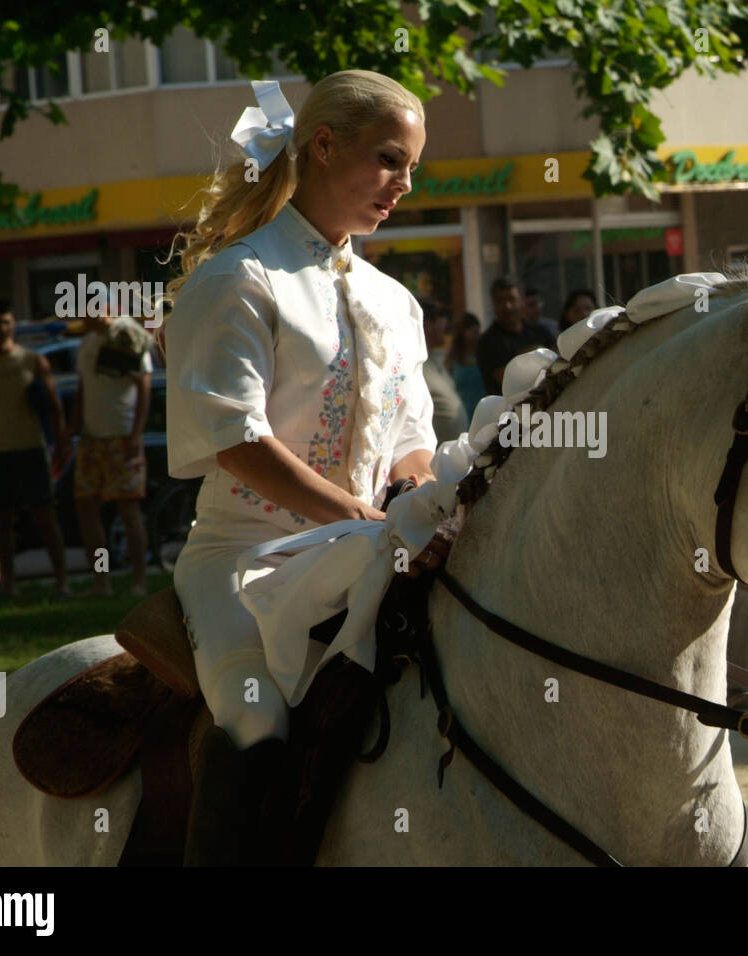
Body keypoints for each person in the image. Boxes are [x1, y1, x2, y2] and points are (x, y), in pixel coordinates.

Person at [163, 71, 441, 865]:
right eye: (390, 160)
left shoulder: (395, 299)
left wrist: (416, 492)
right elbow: (236, 440)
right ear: (323, 144)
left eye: (412, 167)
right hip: (242, 564)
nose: (404, 185)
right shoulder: (238, 278)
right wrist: (363, 519)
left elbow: (412, 435)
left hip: (364, 551)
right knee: (256, 720)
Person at [0, 298, 71, 599]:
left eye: (7, 322)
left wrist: (60, 447)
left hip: (31, 449)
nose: (3, 328)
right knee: (0, 523)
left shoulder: (33, 360)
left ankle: (62, 582)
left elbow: (54, 408)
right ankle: (8, 585)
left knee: (45, 518)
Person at [66, 300, 154, 596]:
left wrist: (135, 435)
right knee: (86, 508)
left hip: (122, 434)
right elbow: (82, 388)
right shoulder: (86, 344)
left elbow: (144, 386)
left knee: (127, 509)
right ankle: (101, 580)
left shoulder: (127, 335)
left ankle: (138, 580)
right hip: (91, 438)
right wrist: (72, 428)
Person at [477, 276, 555, 394]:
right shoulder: (487, 342)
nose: (507, 306)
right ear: (493, 303)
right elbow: (510, 381)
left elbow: (557, 367)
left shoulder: (542, 333)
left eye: (511, 299)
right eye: (500, 301)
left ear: (522, 301)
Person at [419, 298, 468, 444]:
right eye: (440, 316)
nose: (445, 322)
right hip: (435, 458)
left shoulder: (433, 359)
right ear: (425, 323)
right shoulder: (412, 364)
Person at [445, 312, 486, 418]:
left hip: (484, 410)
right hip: (462, 412)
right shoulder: (452, 357)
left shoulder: (485, 355)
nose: (476, 336)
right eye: (473, 332)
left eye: (478, 332)